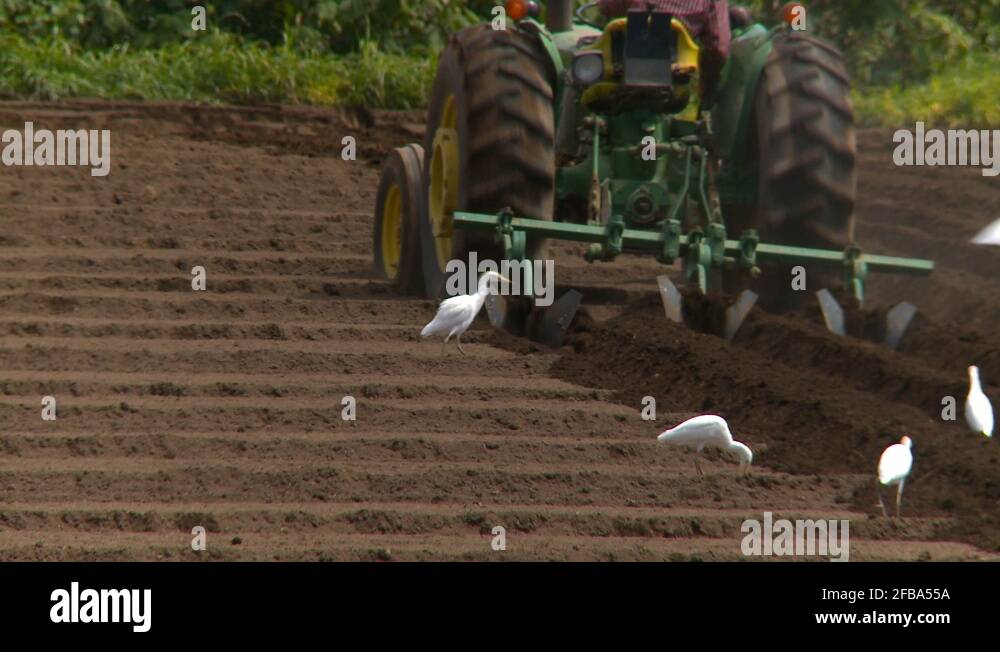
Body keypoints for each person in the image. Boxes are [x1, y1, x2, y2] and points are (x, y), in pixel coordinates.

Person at [598, 0, 731, 99]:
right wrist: (706, 86)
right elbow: (719, 47)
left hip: (620, 67)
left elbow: (607, 7)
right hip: (675, 73)